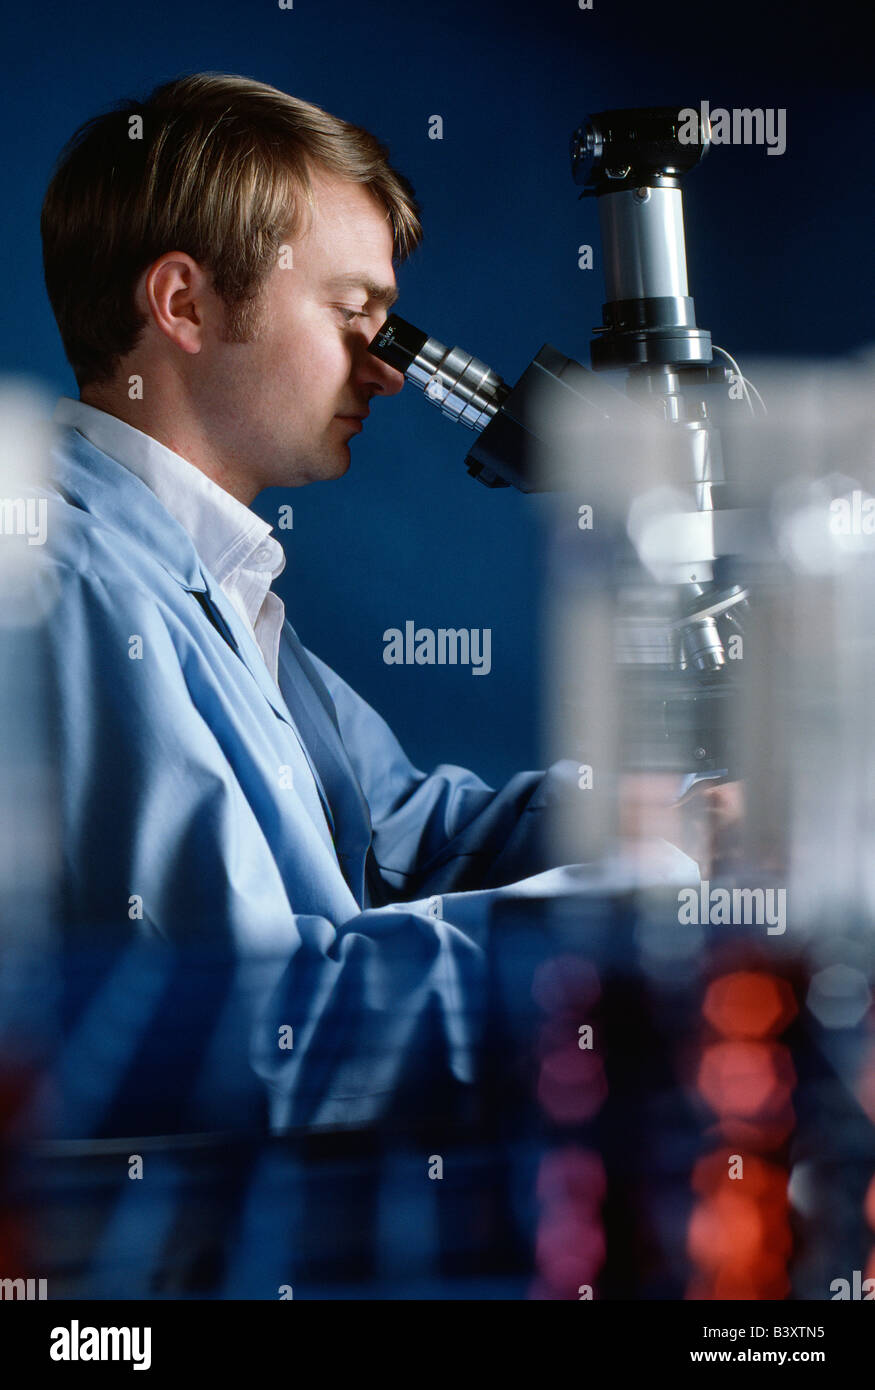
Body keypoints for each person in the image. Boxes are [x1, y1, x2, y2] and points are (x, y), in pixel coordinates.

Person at [34, 73, 695, 1138]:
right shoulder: (73, 585)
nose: (385, 374)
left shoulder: (203, 577)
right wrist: (651, 903)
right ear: (184, 304)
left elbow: (401, 841)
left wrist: (669, 815)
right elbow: (263, 1031)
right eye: (354, 315)